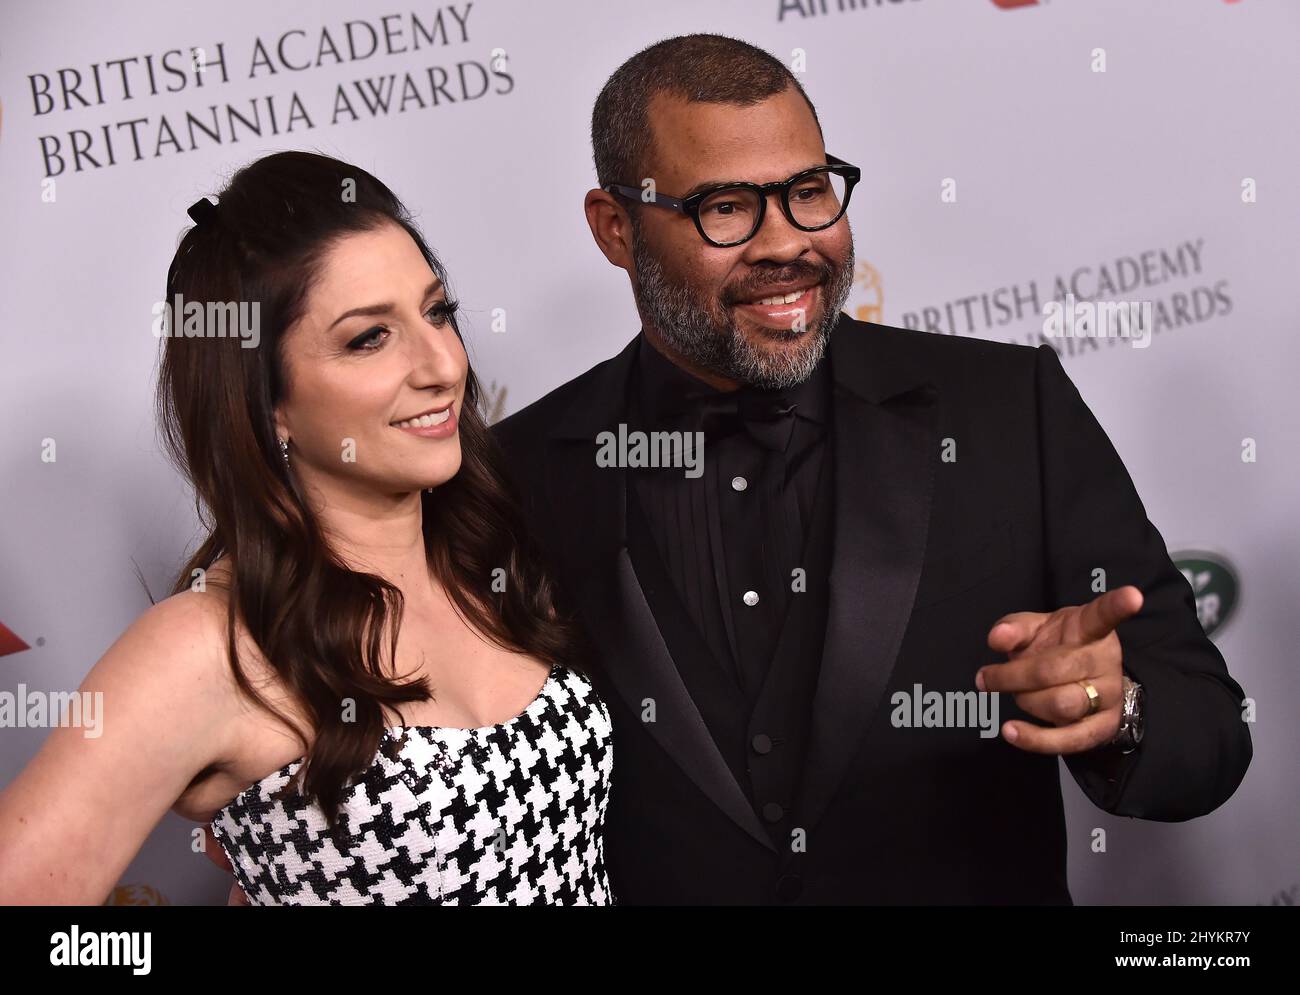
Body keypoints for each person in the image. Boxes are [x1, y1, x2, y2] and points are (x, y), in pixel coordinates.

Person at [490, 33, 1252, 904]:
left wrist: (1120, 712)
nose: (788, 244)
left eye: (809, 192)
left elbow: (1212, 734)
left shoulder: (1006, 410)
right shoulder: (512, 476)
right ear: (615, 227)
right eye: (727, 207)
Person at [0, 151, 614, 906]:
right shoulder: (210, 647)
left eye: (437, 312)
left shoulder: (489, 555)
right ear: (270, 404)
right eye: (369, 338)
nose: (441, 365)